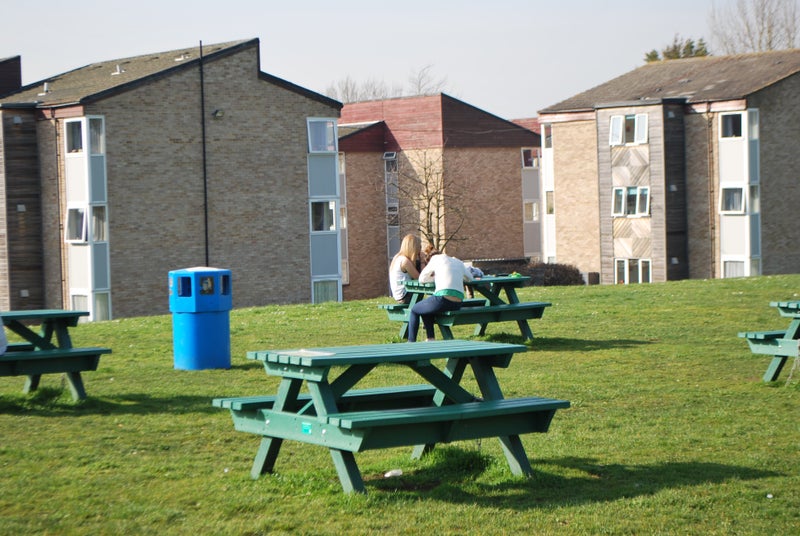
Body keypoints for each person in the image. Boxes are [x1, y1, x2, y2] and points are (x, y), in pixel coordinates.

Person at [407, 248, 474, 342]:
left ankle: (411, 342)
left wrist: (434, 277)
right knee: (426, 307)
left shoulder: (435, 259)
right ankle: (430, 338)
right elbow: (470, 278)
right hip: (458, 303)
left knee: (415, 310)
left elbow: (422, 279)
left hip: (443, 300)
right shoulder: (458, 261)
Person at [389, 234, 422, 304]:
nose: (420, 249)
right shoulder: (405, 261)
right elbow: (420, 278)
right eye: (419, 246)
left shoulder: (397, 257)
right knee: (423, 293)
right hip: (405, 296)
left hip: (399, 296)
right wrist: (422, 261)